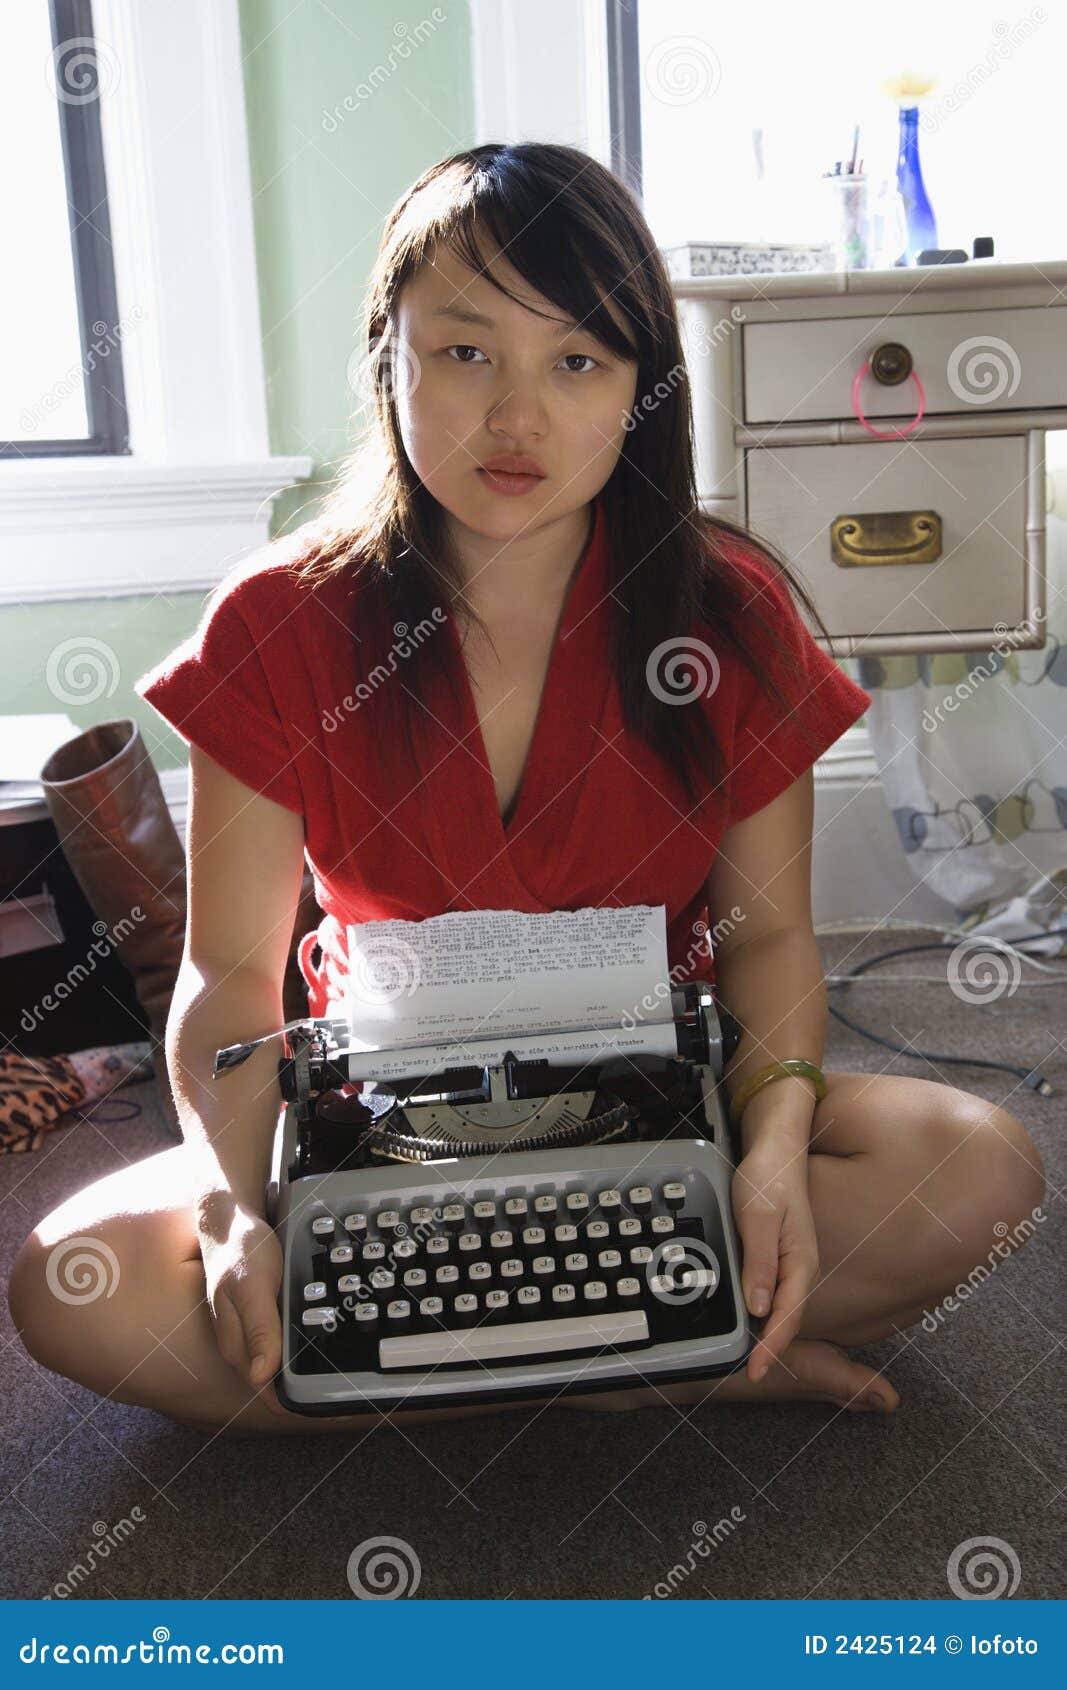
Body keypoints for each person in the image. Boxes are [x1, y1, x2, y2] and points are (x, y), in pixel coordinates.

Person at [9, 143, 1045, 1437]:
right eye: (464, 352)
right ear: (387, 352)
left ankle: (419, 1367)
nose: (519, 419)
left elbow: (772, 934)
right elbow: (224, 975)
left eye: (578, 362)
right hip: (371, 1119)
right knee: (70, 1281)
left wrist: (772, 1148)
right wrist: (229, 1212)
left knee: (977, 1169)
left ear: (639, 390)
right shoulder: (278, 623)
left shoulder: (730, 613)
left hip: (664, 1099)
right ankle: (666, 1356)